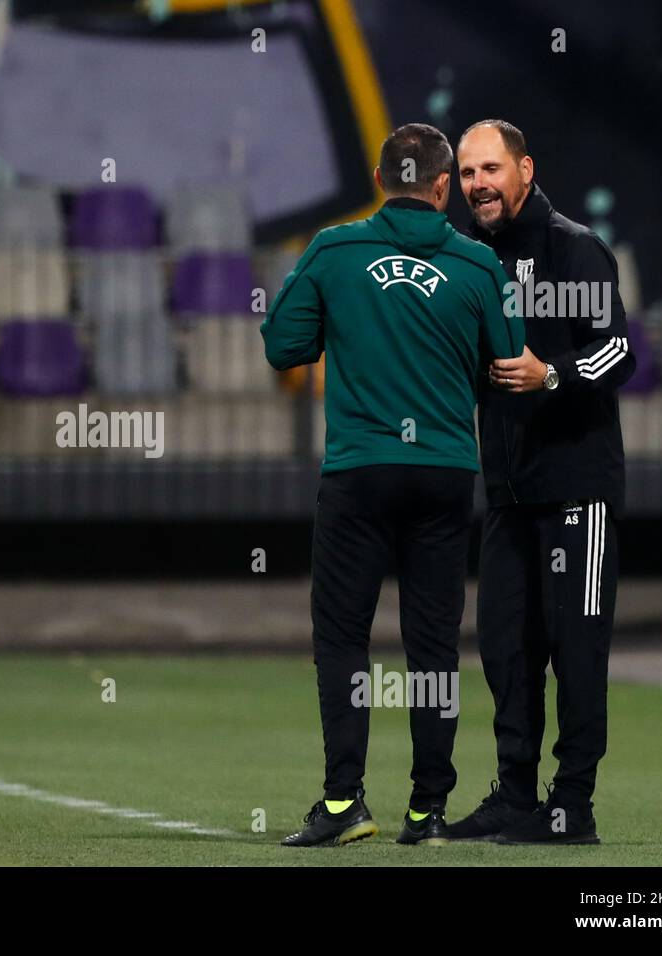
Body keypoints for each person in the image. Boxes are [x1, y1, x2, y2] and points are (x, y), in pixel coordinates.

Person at [262, 123, 524, 848]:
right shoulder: (478, 265)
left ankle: (344, 804)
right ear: (443, 187)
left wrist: (349, 326)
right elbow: (509, 366)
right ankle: (428, 811)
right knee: (434, 645)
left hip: (359, 472)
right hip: (444, 473)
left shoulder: (334, 249)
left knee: (343, 638)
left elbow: (284, 343)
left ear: (380, 181)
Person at [449, 119, 635, 845]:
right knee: (505, 647)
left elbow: (619, 346)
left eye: (490, 169)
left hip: (577, 491)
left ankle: (572, 806)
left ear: (525, 169)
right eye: (466, 174)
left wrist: (552, 374)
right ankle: (517, 796)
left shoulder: (574, 247)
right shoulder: (470, 259)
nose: (478, 185)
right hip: (508, 494)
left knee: (577, 650)